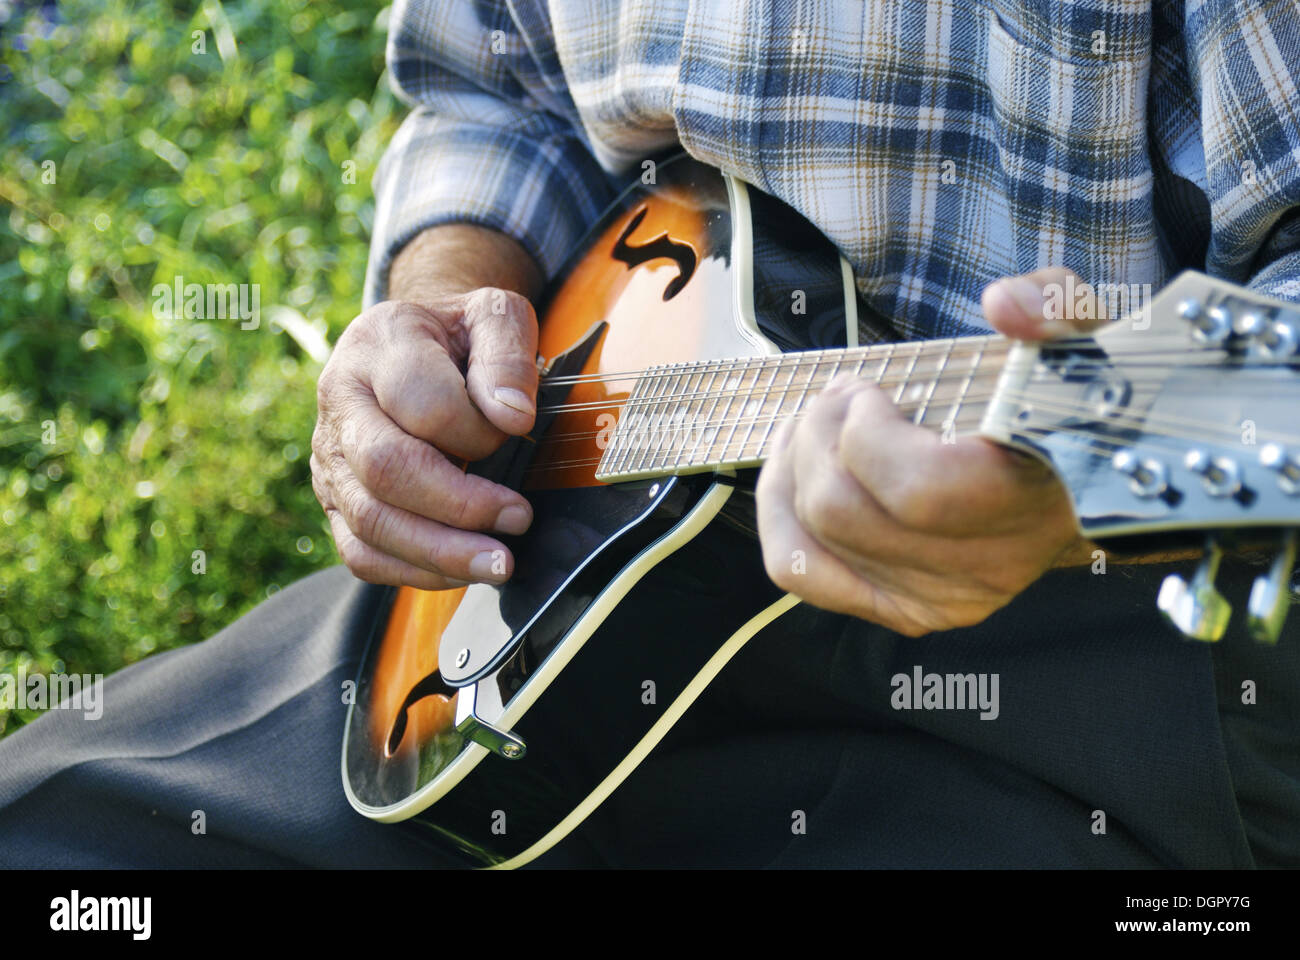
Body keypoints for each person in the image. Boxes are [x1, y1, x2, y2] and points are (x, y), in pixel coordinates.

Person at [2, 0, 1297, 868]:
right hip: (556, 546)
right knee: (57, 835)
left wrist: (1072, 468)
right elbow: (490, 86)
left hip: (1106, 636)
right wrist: (445, 298)